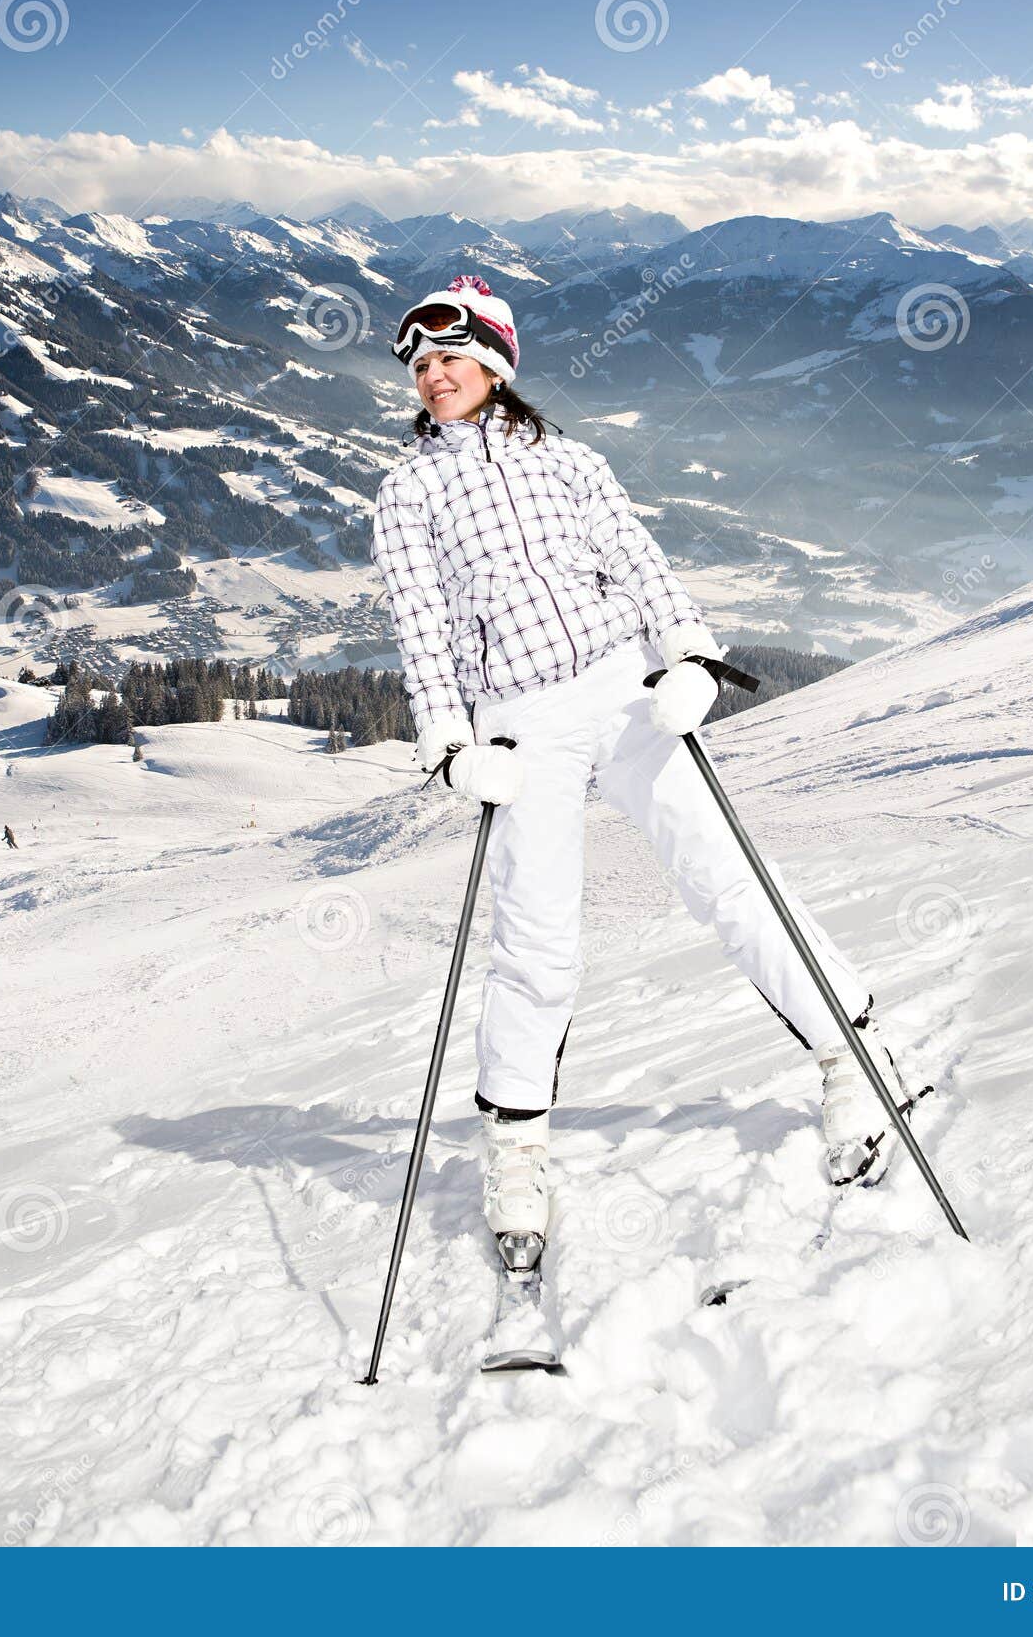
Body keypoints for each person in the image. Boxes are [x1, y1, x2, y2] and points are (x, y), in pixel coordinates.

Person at [371, 275, 928, 1253]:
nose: (433, 376)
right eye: (421, 365)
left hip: (620, 688)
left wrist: (688, 659)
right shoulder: (406, 490)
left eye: (452, 358)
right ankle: (516, 1160)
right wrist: (451, 746)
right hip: (517, 719)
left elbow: (639, 565)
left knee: (728, 879)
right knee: (534, 944)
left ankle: (855, 1055)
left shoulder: (570, 463)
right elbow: (420, 632)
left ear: (496, 364)